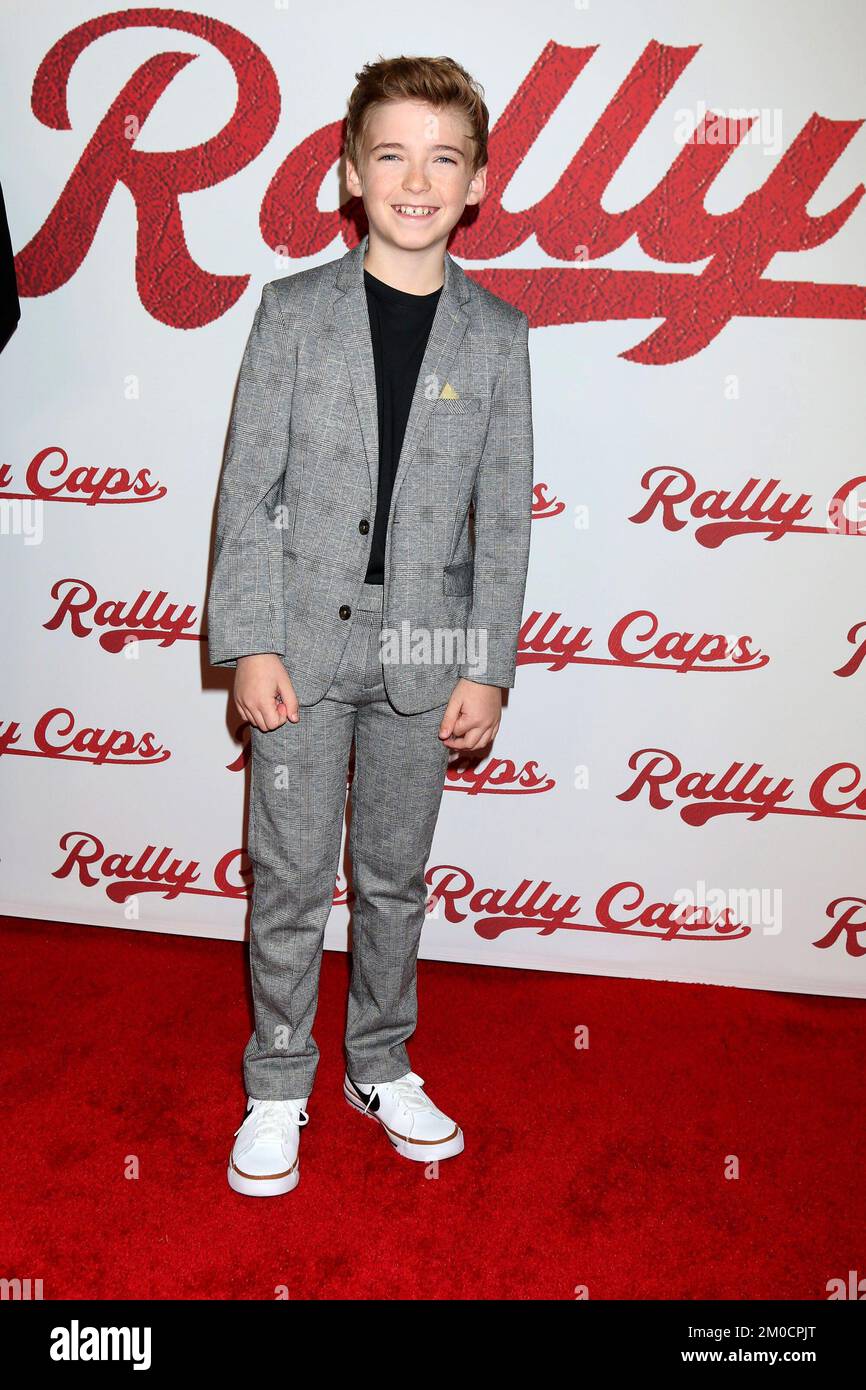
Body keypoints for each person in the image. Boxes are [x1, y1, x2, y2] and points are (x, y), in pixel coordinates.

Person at [207, 54, 534, 1197]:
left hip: (427, 647)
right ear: (349, 172)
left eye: (443, 157)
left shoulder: (498, 334)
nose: (415, 177)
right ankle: (278, 1082)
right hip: (296, 641)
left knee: (395, 877)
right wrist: (249, 639)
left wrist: (485, 664)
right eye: (389, 152)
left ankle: (379, 1062)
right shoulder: (290, 313)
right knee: (287, 877)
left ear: (478, 182)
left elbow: (501, 523)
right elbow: (248, 488)